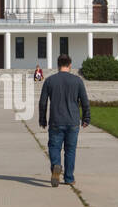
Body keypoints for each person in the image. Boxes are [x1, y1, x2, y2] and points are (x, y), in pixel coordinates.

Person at [38, 54, 90, 187]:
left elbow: (43, 103)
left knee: (54, 147)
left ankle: (56, 165)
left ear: (58, 64)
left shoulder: (50, 81)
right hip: (72, 121)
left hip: (56, 120)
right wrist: (86, 118)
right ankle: (69, 178)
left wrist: (42, 119)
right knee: (70, 150)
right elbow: (85, 102)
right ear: (70, 65)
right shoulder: (77, 81)